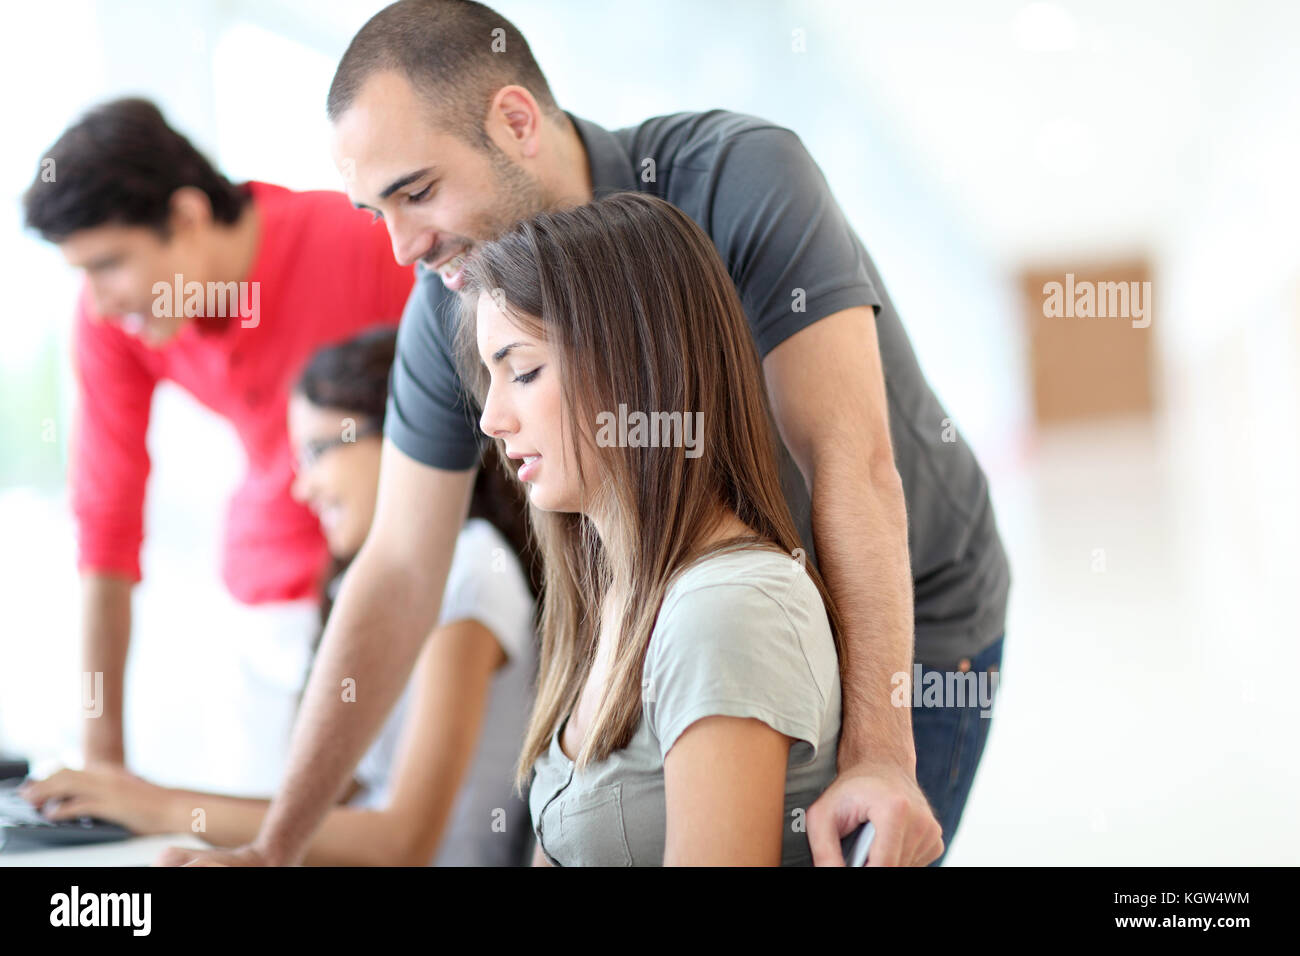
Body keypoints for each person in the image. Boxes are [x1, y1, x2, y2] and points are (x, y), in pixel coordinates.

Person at [163, 0, 1009, 868]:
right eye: (377, 210)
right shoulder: (447, 305)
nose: (404, 247)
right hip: (692, 624)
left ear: (516, 121)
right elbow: (400, 568)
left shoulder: (736, 177)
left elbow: (849, 460)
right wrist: (273, 850)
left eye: (417, 192)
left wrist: (879, 757)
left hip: (906, 609)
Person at [20, 329, 539, 866]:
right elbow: (327, 808)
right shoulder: (386, 584)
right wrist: (142, 801)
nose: (302, 487)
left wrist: (160, 807)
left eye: (318, 450)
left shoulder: (471, 569)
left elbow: (401, 842)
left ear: (405, 432)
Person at [21, 98, 414, 779]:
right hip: (264, 606)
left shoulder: (363, 245)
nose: (101, 301)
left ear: (188, 216)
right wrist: (105, 762)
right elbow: (106, 523)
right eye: (82, 273)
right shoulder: (114, 320)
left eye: (110, 263)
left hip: (399, 594)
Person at [463, 192, 842, 865]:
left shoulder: (729, 608)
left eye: (522, 371)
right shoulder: (607, 597)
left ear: (637, 367)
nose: (493, 417)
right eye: (491, 378)